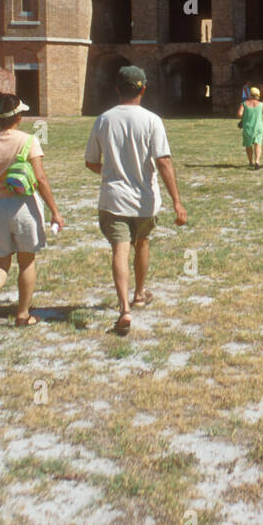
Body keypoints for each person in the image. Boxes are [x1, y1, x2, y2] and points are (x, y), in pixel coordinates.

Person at [85, 66, 187, 336]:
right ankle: (140, 293)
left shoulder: (103, 120)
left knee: (120, 250)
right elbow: (163, 162)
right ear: (143, 89)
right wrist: (177, 201)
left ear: (117, 88)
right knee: (142, 242)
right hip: (145, 200)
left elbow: (91, 162)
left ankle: (124, 309)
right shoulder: (152, 120)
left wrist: (110, 172)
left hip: (113, 199)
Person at [0, 92, 65, 338]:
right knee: (26, 261)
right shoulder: (28, 141)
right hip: (22, 207)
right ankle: (22, 315)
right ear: (18, 116)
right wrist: (55, 211)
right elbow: (40, 179)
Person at [238, 86, 263, 169]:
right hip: (258, 127)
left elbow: (239, 114)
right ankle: (257, 161)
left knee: (248, 145)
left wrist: (245, 116)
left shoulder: (244, 104)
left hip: (247, 127)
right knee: (258, 144)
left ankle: (251, 161)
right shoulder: (261, 104)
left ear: (250, 94)